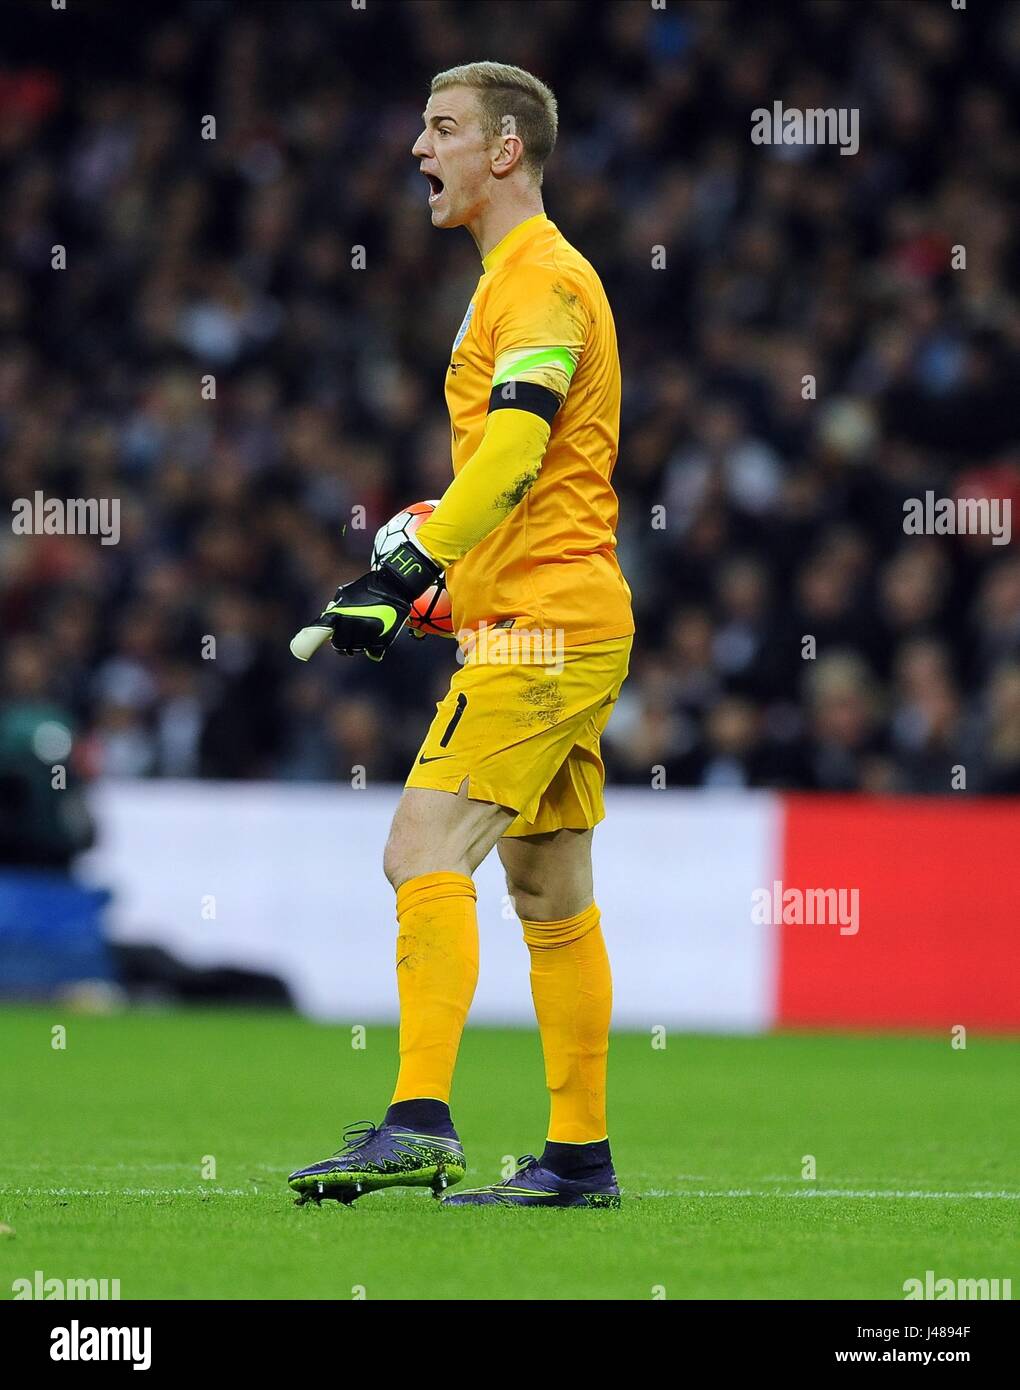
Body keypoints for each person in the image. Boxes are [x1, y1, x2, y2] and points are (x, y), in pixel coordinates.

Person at [288, 61, 634, 1208]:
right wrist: (447, 577)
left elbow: (517, 447)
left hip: (543, 630)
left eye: (440, 129)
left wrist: (410, 565)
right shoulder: (520, 279)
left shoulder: (537, 281)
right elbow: (521, 483)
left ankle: (419, 1120)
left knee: (421, 847)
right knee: (547, 888)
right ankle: (579, 1159)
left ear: (504, 151)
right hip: (552, 613)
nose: (419, 150)